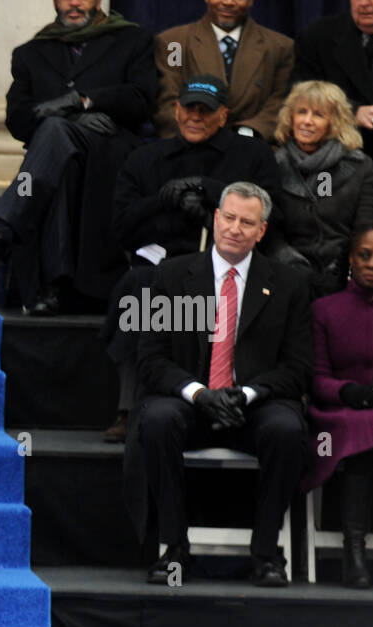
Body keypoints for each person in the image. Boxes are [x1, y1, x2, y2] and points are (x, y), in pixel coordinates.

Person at [127, 182, 313, 587]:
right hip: (192, 400)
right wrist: (199, 393)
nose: (235, 228)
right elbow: (152, 357)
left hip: (254, 404)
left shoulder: (288, 284)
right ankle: (174, 550)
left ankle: (266, 554)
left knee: (287, 429)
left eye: (247, 222)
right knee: (157, 419)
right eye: (228, 218)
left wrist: (246, 393)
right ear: (215, 219)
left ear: (262, 231)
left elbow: (297, 367)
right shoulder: (173, 275)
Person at [103, 74, 280, 442]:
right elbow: (120, 226)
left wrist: (209, 191)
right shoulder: (146, 157)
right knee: (139, 286)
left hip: (230, 267)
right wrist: (163, 200)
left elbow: (273, 219)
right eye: (189, 109)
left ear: (224, 114)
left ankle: (234, 402)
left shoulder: (252, 155)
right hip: (163, 268)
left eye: (206, 111)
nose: (196, 117)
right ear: (176, 109)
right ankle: (127, 407)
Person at [0, 0, 155, 316]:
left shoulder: (132, 40)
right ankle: (55, 286)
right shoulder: (31, 52)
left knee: (54, 147)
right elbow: (18, 119)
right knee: (58, 148)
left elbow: (141, 100)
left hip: (112, 152)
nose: (74, 3)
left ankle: (8, 229)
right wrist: (71, 118)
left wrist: (86, 100)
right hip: (58, 155)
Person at [303, 223, 373, 587]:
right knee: (362, 427)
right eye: (365, 255)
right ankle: (354, 550)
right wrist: (350, 393)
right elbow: (316, 380)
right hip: (335, 416)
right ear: (350, 258)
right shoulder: (324, 309)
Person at [268, 80, 373, 299]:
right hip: (285, 276)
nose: (307, 121)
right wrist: (289, 261)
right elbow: (269, 230)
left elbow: (365, 228)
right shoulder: (273, 166)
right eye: (302, 112)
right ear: (291, 117)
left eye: (318, 114)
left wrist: (342, 267)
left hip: (342, 278)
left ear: (334, 122)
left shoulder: (360, 167)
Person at [154, 0, 293, 141]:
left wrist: (247, 133)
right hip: (189, 148)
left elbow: (280, 102)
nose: (228, 2)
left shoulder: (280, 48)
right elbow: (168, 101)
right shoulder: (175, 44)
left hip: (254, 147)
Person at [293, 1, 373, 163]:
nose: (365, 3)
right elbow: (300, 92)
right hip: (334, 156)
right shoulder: (318, 35)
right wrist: (352, 112)